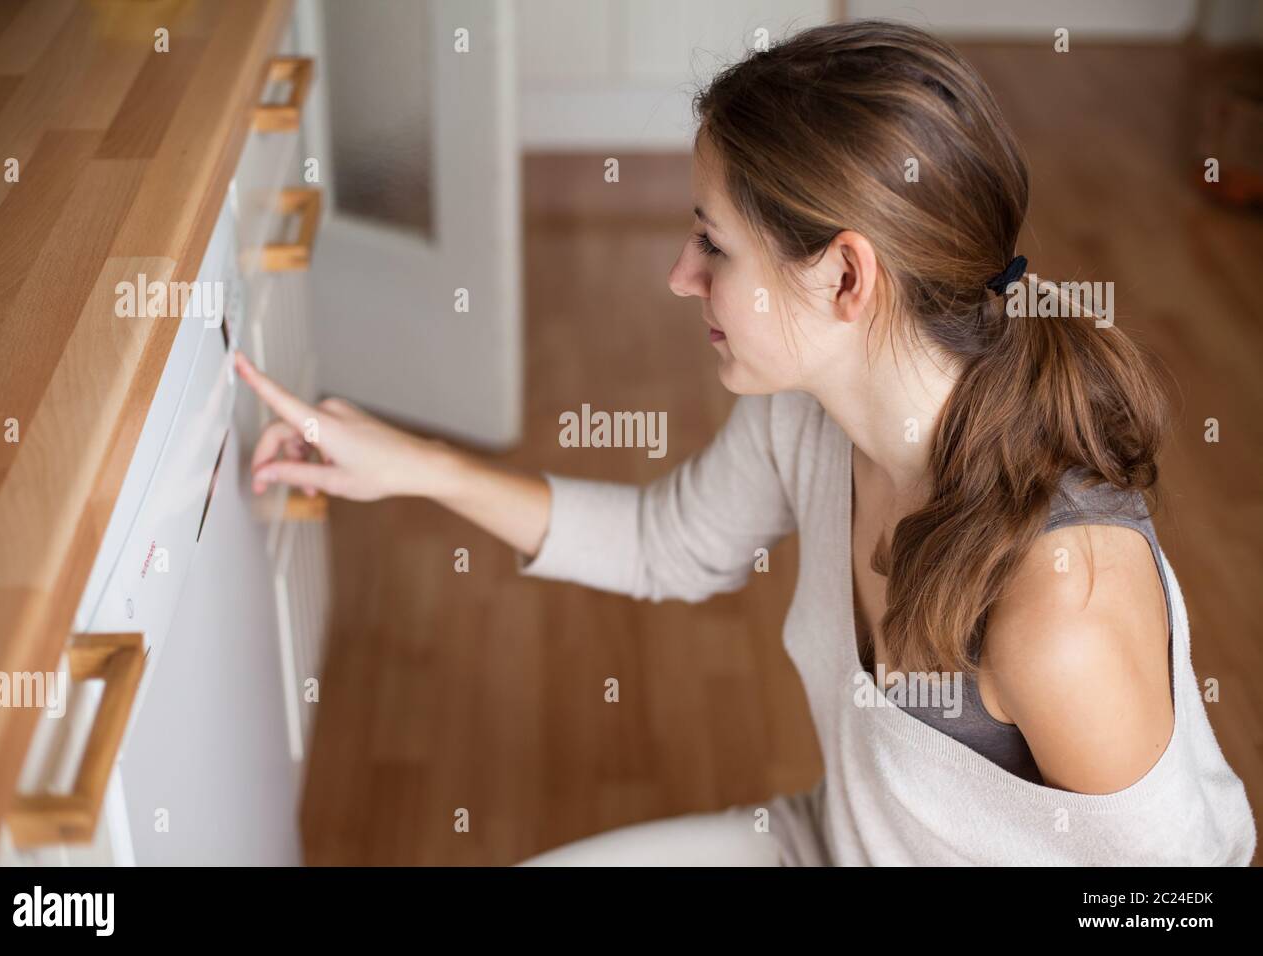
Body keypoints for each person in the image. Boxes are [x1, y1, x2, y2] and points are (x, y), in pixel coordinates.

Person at [235, 20, 1257, 866]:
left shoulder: (1060, 605)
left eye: (712, 244)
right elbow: (663, 546)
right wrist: (409, 462)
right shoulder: (807, 410)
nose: (680, 275)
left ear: (845, 278)